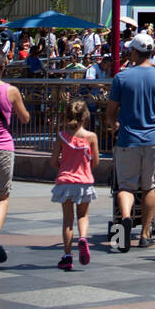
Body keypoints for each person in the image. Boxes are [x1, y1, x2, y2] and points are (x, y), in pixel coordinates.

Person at [106, 34, 155, 250]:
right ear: (152, 52)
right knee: (149, 186)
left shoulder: (122, 78)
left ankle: (125, 219)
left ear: (134, 52)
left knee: (125, 186)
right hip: (153, 139)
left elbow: (111, 110)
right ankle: (145, 235)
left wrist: (113, 124)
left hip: (127, 138)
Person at [0, 50, 30, 263]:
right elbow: (24, 118)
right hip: (2, 149)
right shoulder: (11, 91)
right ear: (2, 67)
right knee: (1, 197)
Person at [49, 98, 99, 270]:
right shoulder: (91, 137)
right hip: (84, 182)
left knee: (68, 220)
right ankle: (83, 238)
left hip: (65, 181)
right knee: (83, 216)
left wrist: (64, 165)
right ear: (85, 116)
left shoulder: (62, 136)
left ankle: (67, 255)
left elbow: (53, 161)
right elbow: (95, 162)